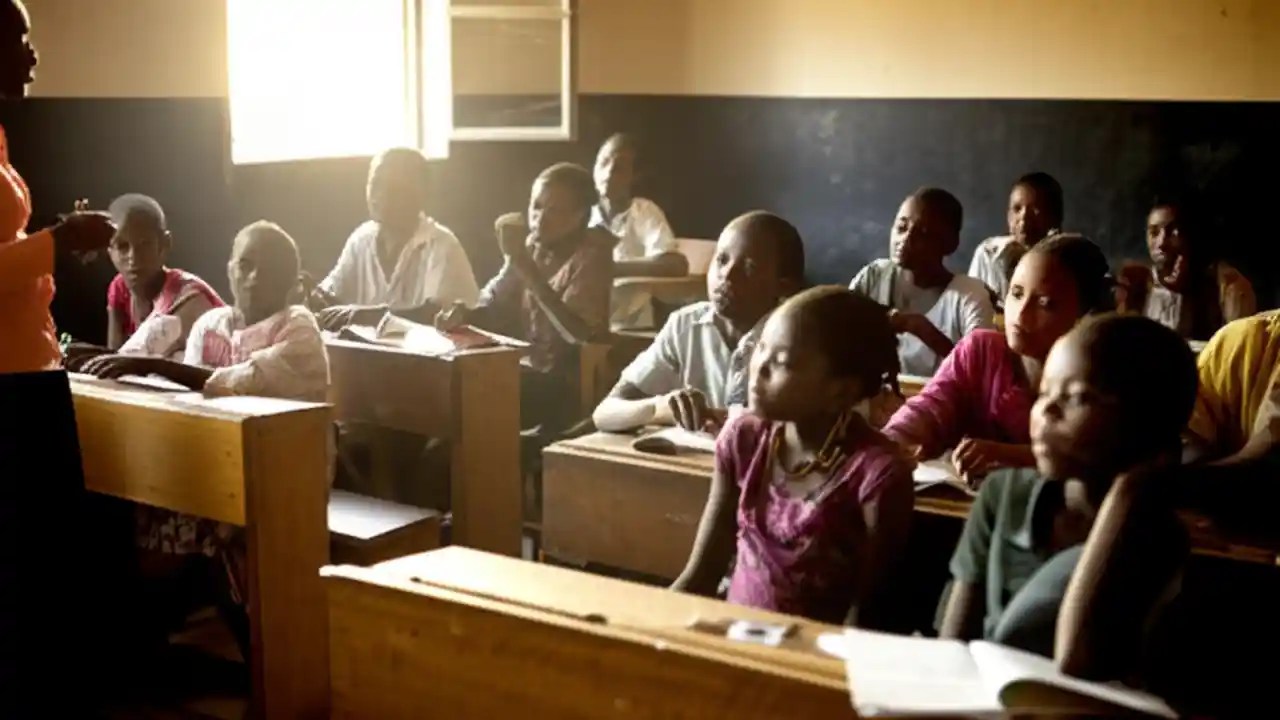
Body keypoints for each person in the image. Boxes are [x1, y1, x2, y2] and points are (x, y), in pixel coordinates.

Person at [81, 220, 330, 654]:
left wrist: (155, 366)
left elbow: (237, 380)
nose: (253, 278)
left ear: (291, 280)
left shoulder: (299, 328)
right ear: (229, 267)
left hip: (288, 471)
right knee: (142, 506)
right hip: (222, 464)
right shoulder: (211, 323)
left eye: (268, 269)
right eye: (245, 265)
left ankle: (264, 665)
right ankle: (148, 647)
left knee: (212, 531)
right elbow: (192, 405)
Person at [939, 315, 1193, 681]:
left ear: (1144, 420)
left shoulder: (1156, 535)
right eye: (1043, 393)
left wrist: (1129, 490)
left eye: (1075, 398)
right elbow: (953, 648)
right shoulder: (1002, 494)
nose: (1045, 412)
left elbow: (1079, 662)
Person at [671, 286, 913, 627]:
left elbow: (866, 620)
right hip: (736, 645)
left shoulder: (876, 476)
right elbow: (700, 575)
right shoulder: (744, 439)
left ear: (840, 391)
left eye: (782, 362)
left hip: (814, 664)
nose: (760, 368)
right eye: (760, 349)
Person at [883, 233, 1113, 484]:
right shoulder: (981, 351)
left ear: (1085, 316)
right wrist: (888, 444)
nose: (1021, 314)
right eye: (1016, 293)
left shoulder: (1100, 380)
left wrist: (1008, 455)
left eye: (1045, 304)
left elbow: (1098, 457)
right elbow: (928, 409)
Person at [436, 162, 612, 433]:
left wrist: (528, 270)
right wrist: (465, 315)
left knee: (474, 402)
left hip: (566, 385)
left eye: (554, 211)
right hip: (527, 370)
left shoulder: (592, 255)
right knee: (449, 393)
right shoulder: (531, 246)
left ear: (579, 216)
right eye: (536, 207)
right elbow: (494, 301)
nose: (540, 219)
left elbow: (579, 333)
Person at [592, 211, 804, 434]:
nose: (727, 276)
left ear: (784, 286)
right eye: (721, 260)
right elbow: (605, 413)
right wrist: (660, 408)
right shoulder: (685, 326)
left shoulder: (797, 340)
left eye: (749, 267)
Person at [0, 0, 116, 373]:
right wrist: (60, 239)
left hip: (30, 355)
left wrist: (64, 241)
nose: (32, 54)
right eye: (18, 38)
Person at [312, 147, 480, 330]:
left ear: (422, 195)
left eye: (395, 188)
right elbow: (334, 295)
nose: (380, 194)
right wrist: (313, 296)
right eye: (375, 184)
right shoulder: (361, 239)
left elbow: (437, 316)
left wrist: (366, 316)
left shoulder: (443, 247)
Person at [850, 187, 994, 376]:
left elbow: (979, 373)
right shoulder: (874, 276)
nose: (906, 239)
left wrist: (921, 329)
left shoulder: (969, 296)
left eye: (924, 233)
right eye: (901, 228)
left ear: (950, 243)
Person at [66, 195, 224, 367]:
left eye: (145, 245)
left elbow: (195, 373)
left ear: (165, 244)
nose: (133, 258)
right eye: (122, 246)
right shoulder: (119, 287)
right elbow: (116, 357)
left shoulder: (191, 298)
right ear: (109, 250)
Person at [1116, 194, 1255, 340]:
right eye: (1154, 233)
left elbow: (1237, 345)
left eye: (1172, 232)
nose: (1161, 243)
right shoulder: (1135, 285)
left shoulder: (1225, 285)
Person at [590, 133, 686, 329]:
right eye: (604, 162)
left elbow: (675, 264)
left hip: (631, 329)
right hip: (581, 326)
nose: (608, 173)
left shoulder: (643, 211)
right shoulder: (581, 214)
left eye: (620, 168)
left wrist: (612, 269)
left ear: (634, 176)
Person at [968, 172, 1064, 302]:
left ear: (1055, 217)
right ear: (1008, 214)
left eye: (1035, 210)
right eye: (1017, 209)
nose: (1023, 219)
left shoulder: (1067, 260)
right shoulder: (988, 254)